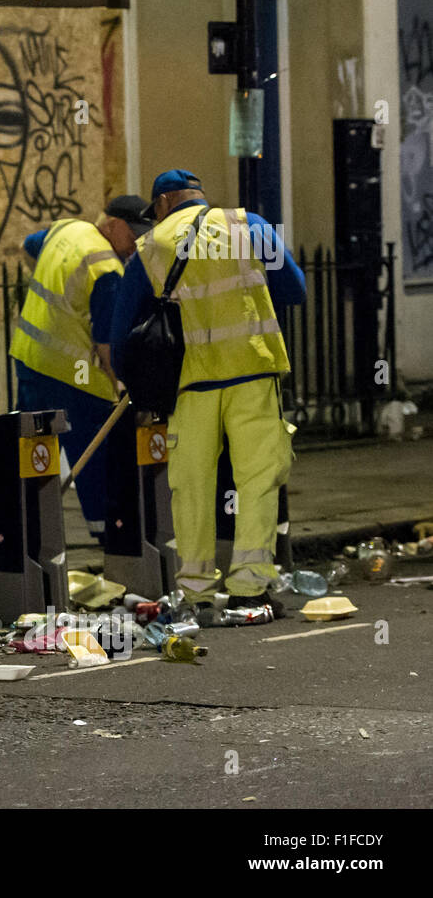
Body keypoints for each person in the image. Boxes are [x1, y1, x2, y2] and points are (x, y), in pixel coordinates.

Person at [110, 169, 306, 616]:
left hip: (190, 384)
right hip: (252, 372)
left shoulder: (151, 246)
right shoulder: (247, 226)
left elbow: (123, 332)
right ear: (198, 196)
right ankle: (250, 586)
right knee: (257, 481)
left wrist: (137, 384)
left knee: (191, 485)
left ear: (163, 204)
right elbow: (295, 288)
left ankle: (197, 589)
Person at [9, 195, 152, 541]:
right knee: (93, 459)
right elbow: (106, 347)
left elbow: (29, 247)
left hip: (30, 358)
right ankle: (107, 533)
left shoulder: (66, 230)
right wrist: (119, 386)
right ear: (113, 225)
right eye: (133, 234)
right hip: (73, 375)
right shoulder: (107, 270)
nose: (137, 244)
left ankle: (23, 530)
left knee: (33, 449)